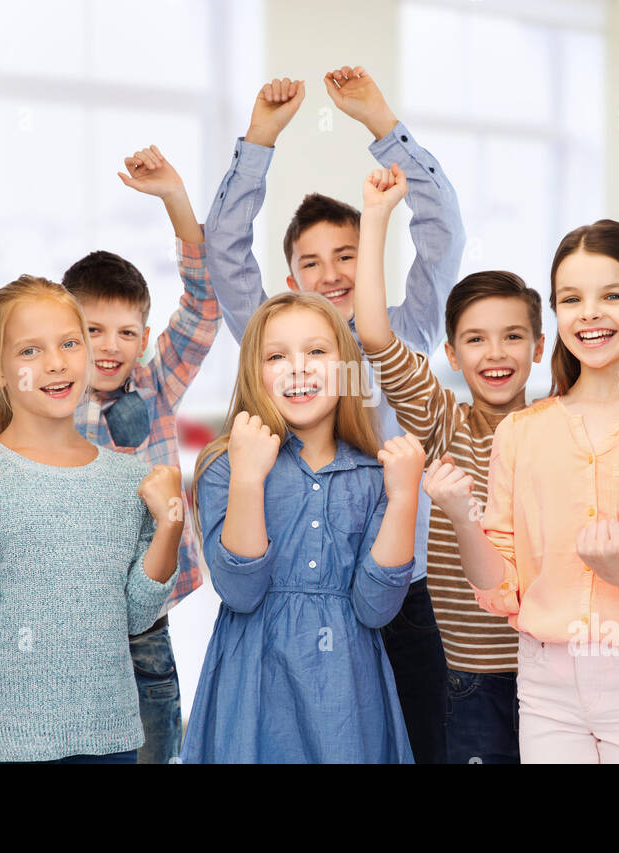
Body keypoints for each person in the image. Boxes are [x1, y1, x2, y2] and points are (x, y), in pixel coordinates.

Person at [0, 146, 217, 762]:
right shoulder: (14, 397)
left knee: (151, 747)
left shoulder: (156, 382)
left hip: (135, 631)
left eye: (122, 334)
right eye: (85, 332)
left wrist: (175, 200)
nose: (98, 351)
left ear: (143, 340)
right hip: (21, 658)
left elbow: (202, 307)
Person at [204, 66, 465, 762]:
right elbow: (223, 255)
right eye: (311, 263)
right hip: (293, 594)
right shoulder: (276, 341)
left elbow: (443, 232)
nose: (332, 273)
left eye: (348, 254)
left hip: (398, 588)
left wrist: (383, 124)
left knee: (418, 741)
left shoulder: (402, 333)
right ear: (290, 282)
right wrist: (259, 139)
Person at [424, 214, 619, 763]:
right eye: (571, 299)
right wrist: (463, 518)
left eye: (612, 295)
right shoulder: (521, 432)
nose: (589, 313)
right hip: (545, 683)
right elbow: (501, 587)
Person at [0, 273, 182, 763]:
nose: (55, 363)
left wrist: (171, 525)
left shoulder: (125, 480)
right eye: (30, 351)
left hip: (109, 736)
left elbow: (137, 615)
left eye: (70, 343)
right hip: (7, 742)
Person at [183, 291, 426, 762]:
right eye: (276, 356)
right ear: (256, 373)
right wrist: (249, 479)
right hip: (254, 688)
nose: (298, 368)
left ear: (348, 367)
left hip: (346, 697)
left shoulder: (374, 476)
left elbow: (376, 608)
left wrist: (404, 499)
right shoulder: (225, 465)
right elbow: (240, 591)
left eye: (316, 351)